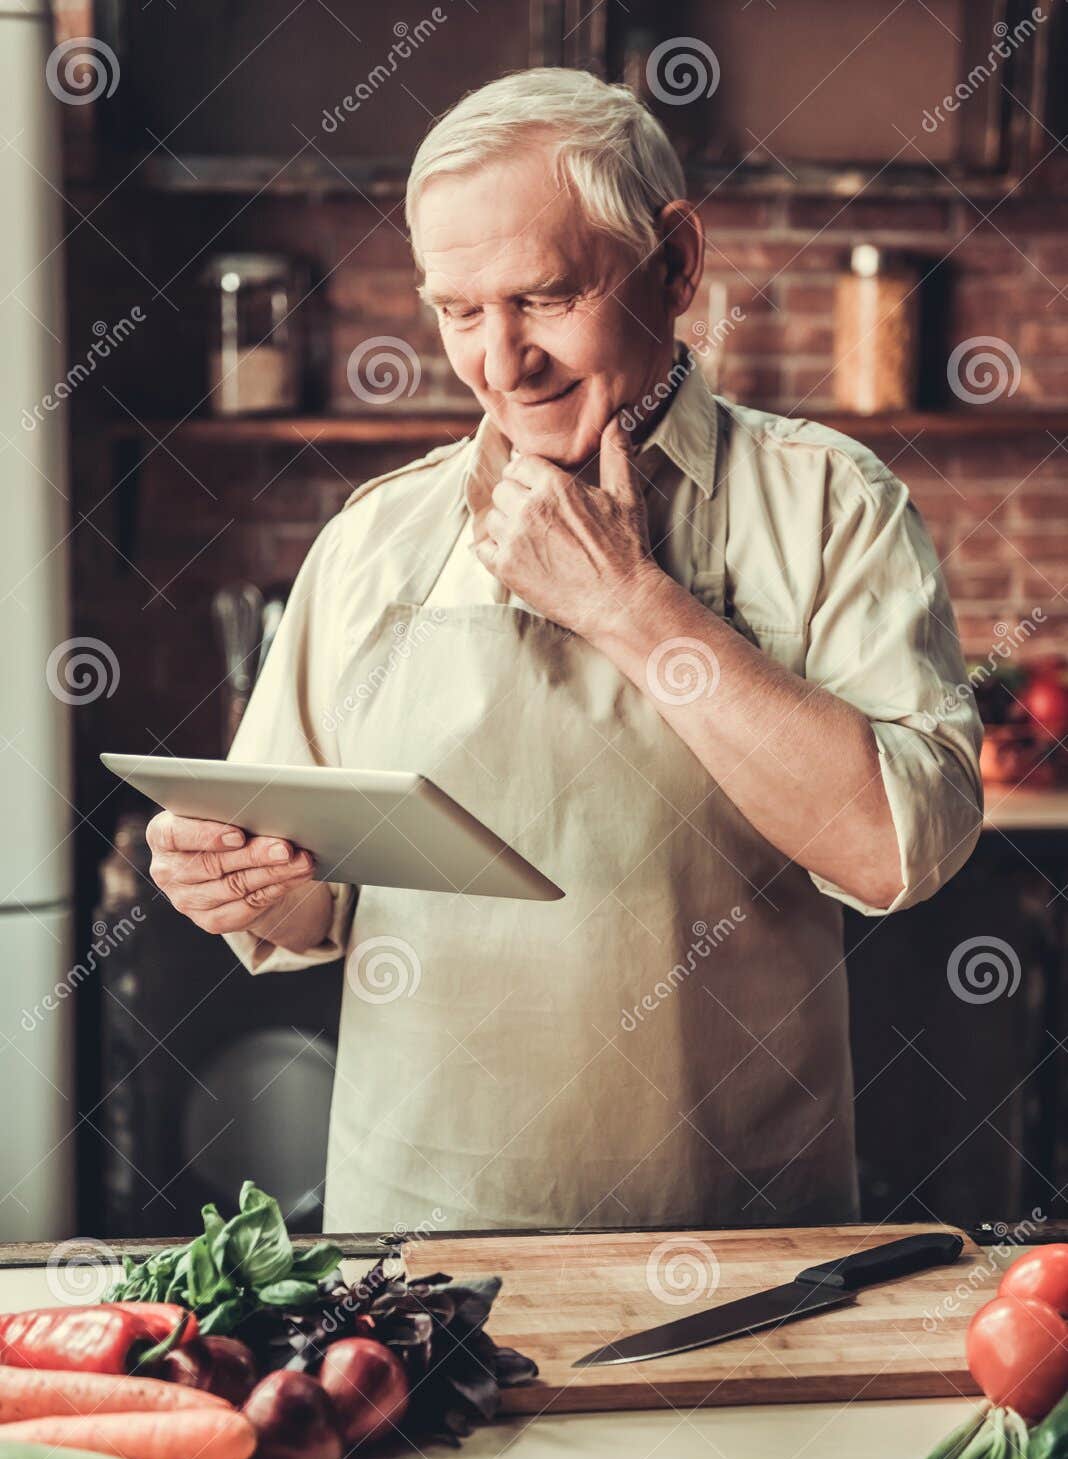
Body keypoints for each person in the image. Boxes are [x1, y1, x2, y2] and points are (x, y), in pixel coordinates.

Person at [146, 69, 982, 1234]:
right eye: (458, 312)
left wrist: (634, 607)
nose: (502, 361)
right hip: (419, 1238)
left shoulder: (831, 504)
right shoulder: (374, 541)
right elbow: (306, 909)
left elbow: (900, 850)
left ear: (677, 265)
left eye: (544, 296)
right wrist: (234, 883)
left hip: (743, 1241)